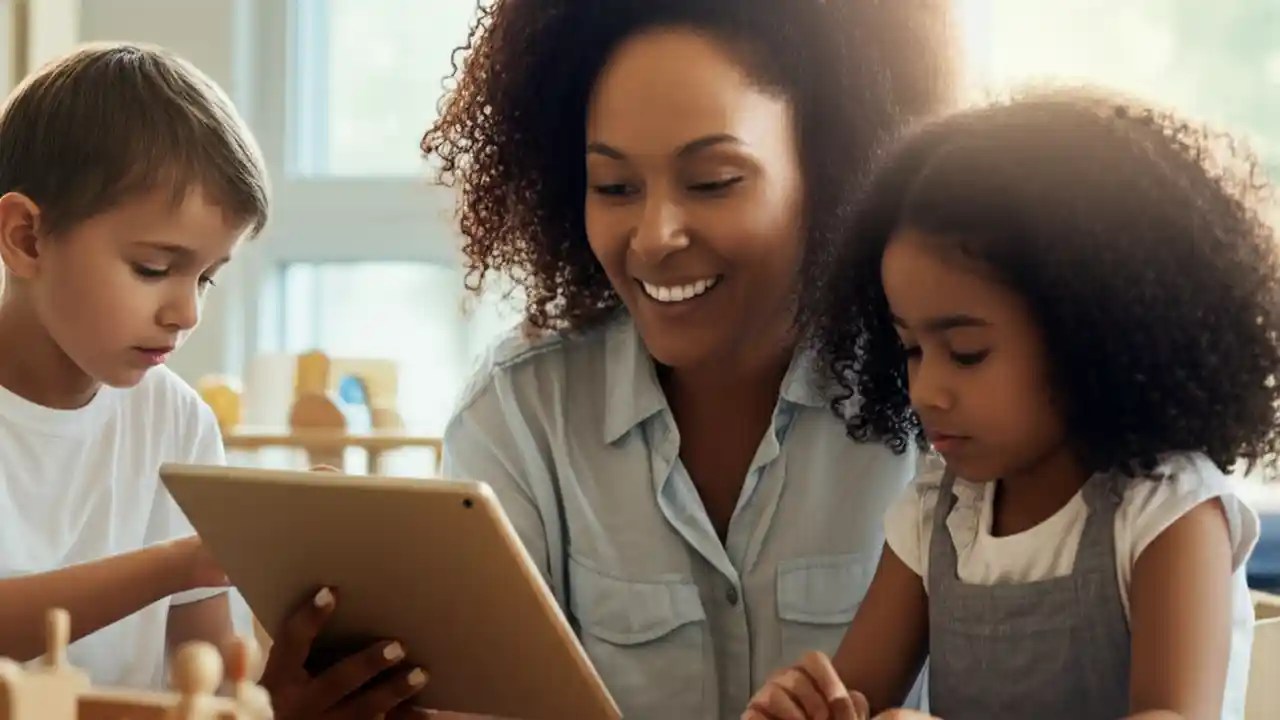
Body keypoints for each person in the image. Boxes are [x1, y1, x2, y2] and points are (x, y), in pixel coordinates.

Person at [418, 0, 955, 717]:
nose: (654, 236)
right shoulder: (520, 413)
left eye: (711, 182)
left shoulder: (937, 392)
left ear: (833, 171)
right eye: (615, 187)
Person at [744, 88, 1275, 720]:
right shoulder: (940, 516)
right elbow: (853, 698)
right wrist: (804, 710)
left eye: (966, 352)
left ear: (1091, 335)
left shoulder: (1166, 512)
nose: (926, 390)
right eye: (911, 349)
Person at [0, 43, 424, 718]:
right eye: (153, 268)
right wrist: (190, 559)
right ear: (26, 238)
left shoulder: (178, 419)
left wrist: (272, 695)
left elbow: (209, 673)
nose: (187, 312)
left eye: (206, 278)